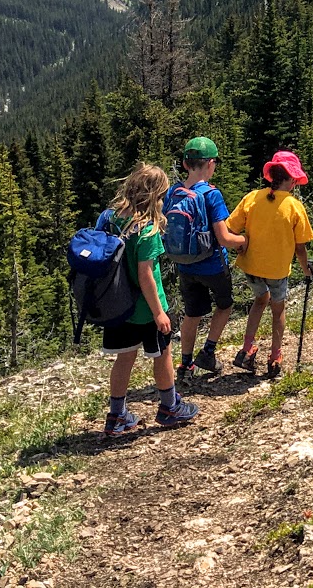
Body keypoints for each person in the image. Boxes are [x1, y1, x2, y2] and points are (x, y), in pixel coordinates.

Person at [101, 163, 200, 436]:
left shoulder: (112, 217)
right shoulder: (147, 229)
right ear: (154, 195)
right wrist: (159, 313)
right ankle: (169, 407)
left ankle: (116, 415)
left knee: (125, 358)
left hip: (119, 305)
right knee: (163, 354)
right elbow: (146, 275)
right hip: (146, 309)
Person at [227, 150, 313, 377]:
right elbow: (300, 247)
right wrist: (307, 270)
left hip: (251, 266)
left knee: (260, 300)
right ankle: (275, 356)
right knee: (278, 310)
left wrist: (241, 245)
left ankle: (247, 348)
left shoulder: (252, 197)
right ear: (293, 179)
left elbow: (231, 229)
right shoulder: (294, 206)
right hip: (277, 270)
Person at [166, 136, 246, 379]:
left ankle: (185, 365)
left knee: (193, 313)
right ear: (210, 164)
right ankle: (208, 352)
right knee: (225, 305)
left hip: (184, 265)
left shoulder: (173, 192)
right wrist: (244, 241)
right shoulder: (211, 194)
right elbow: (223, 238)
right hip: (212, 265)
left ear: (185, 164)